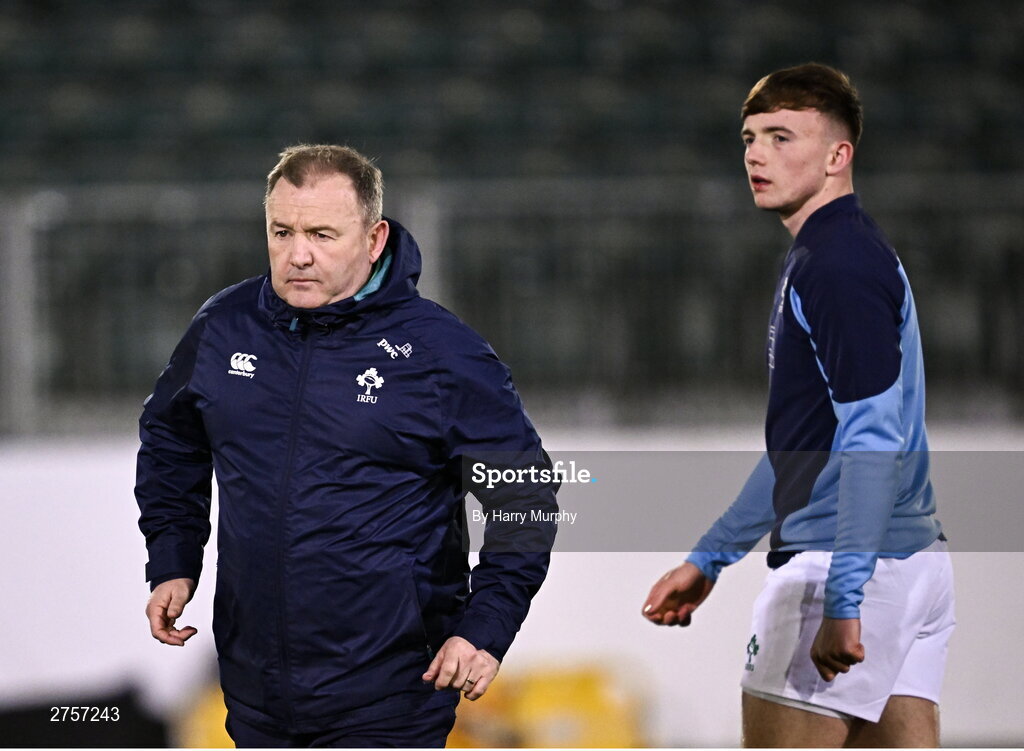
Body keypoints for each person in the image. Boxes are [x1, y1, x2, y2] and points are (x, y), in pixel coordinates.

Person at [135, 144, 558, 748]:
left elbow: (527, 497)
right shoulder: (224, 326)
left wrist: (485, 628)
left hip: (389, 696)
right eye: (282, 231)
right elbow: (171, 439)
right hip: (255, 690)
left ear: (374, 238)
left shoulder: (442, 353)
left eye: (322, 234)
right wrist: (174, 556)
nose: (298, 254)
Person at [642, 64, 954, 747]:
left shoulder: (836, 265)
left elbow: (873, 437)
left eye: (783, 137)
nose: (756, 154)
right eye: (750, 137)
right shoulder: (835, 252)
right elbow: (807, 450)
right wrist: (711, 556)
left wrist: (844, 597)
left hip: (840, 567)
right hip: (913, 563)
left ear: (839, 155)